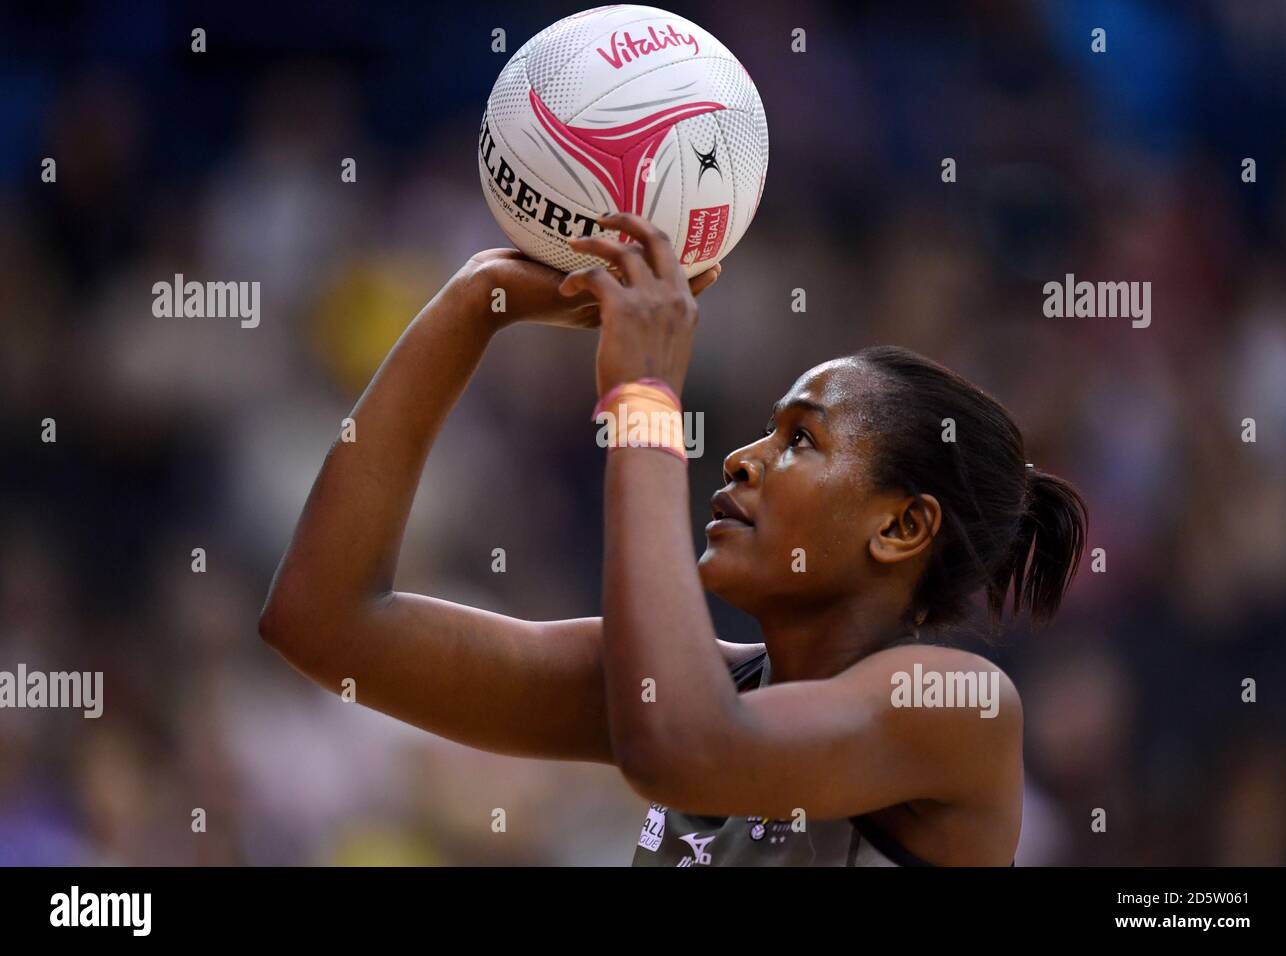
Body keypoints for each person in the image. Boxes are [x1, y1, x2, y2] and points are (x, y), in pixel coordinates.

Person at [260, 212, 1087, 866]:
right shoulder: (690, 691)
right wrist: (474, 304)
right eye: (768, 430)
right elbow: (323, 624)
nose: (740, 458)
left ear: (902, 526)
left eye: (801, 440)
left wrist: (644, 396)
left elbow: (684, 748)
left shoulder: (959, 708)